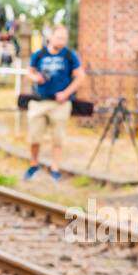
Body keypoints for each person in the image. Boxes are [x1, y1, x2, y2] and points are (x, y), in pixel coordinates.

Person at [24, 24, 85, 181]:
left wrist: (66, 93)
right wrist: (36, 78)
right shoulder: (39, 55)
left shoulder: (70, 56)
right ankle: (33, 164)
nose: (62, 41)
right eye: (59, 37)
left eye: (64, 38)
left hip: (60, 104)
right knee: (34, 136)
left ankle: (54, 168)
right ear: (50, 37)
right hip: (40, 101)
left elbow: (80, 77)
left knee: (58, 137)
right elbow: (29, 72)